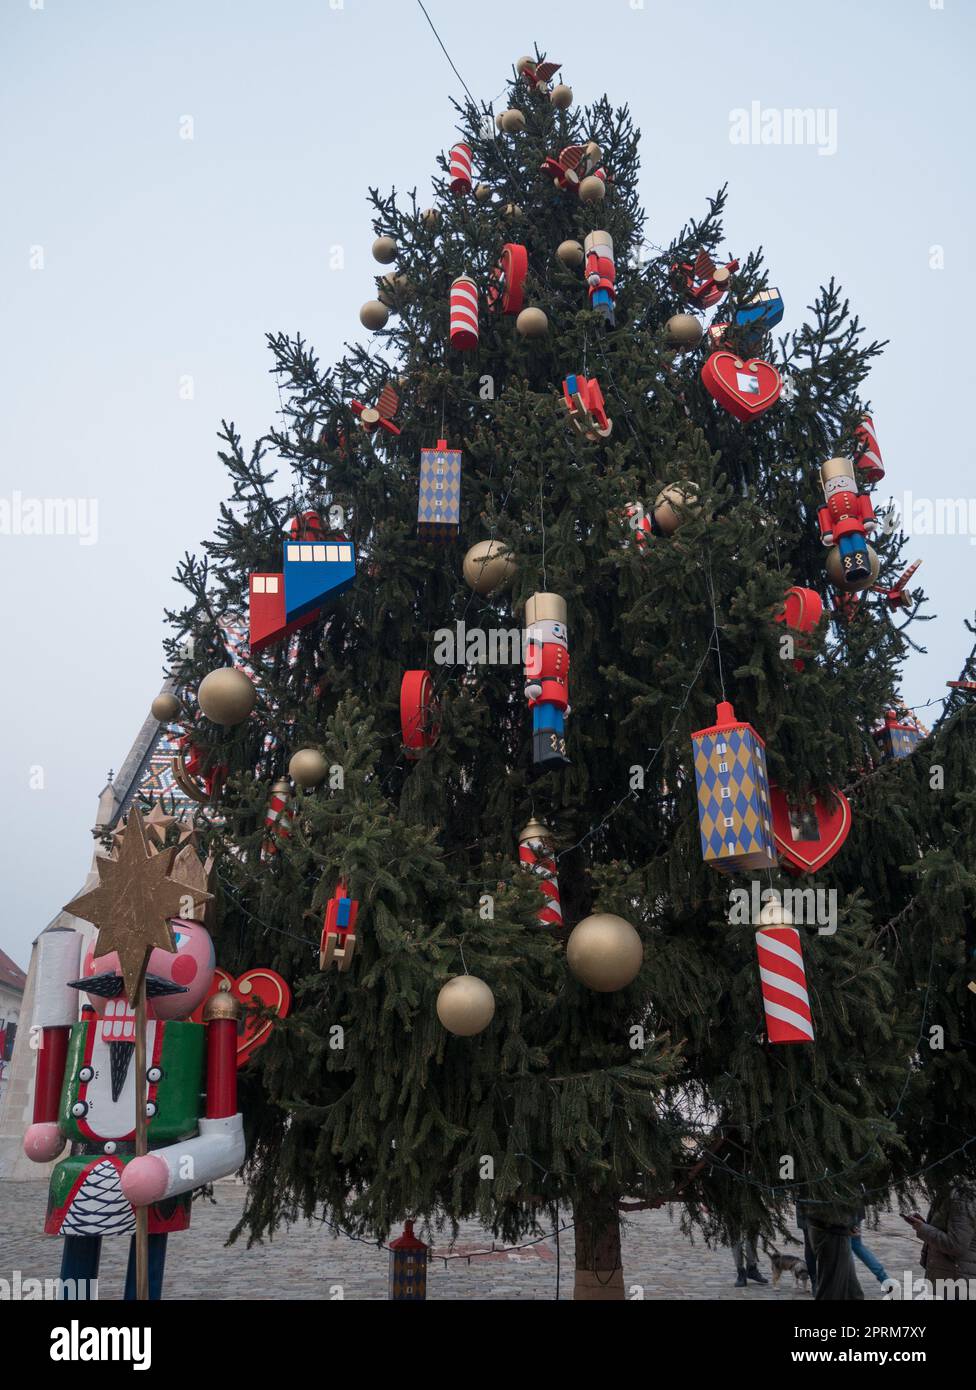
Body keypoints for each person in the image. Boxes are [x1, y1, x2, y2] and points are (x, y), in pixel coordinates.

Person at [904, 1184, 976, 1299]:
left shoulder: (961, 1197)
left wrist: (923, 1229)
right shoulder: (949, 1192)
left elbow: (956, 1245)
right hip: (946, 1276)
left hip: (957, 1280)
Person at [799, 1199, 863, 1300]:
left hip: (837, 1228)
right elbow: (818, 1210)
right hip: (829, 1232)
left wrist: (849, 1224)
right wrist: (845, 1227)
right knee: (832, 1285)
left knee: (851, 1287)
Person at [850, 1207, 888, 1286]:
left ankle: (849, 1283)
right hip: (855, 1208)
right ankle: (884, 1278)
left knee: (846, 1248)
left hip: (842, 1212)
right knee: (856, 1245)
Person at [796, 1200, 817, 1293]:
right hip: (806, 1205)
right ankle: (815, 1281)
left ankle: (826, 1280)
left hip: (827, 1204)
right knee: (810, 1245)